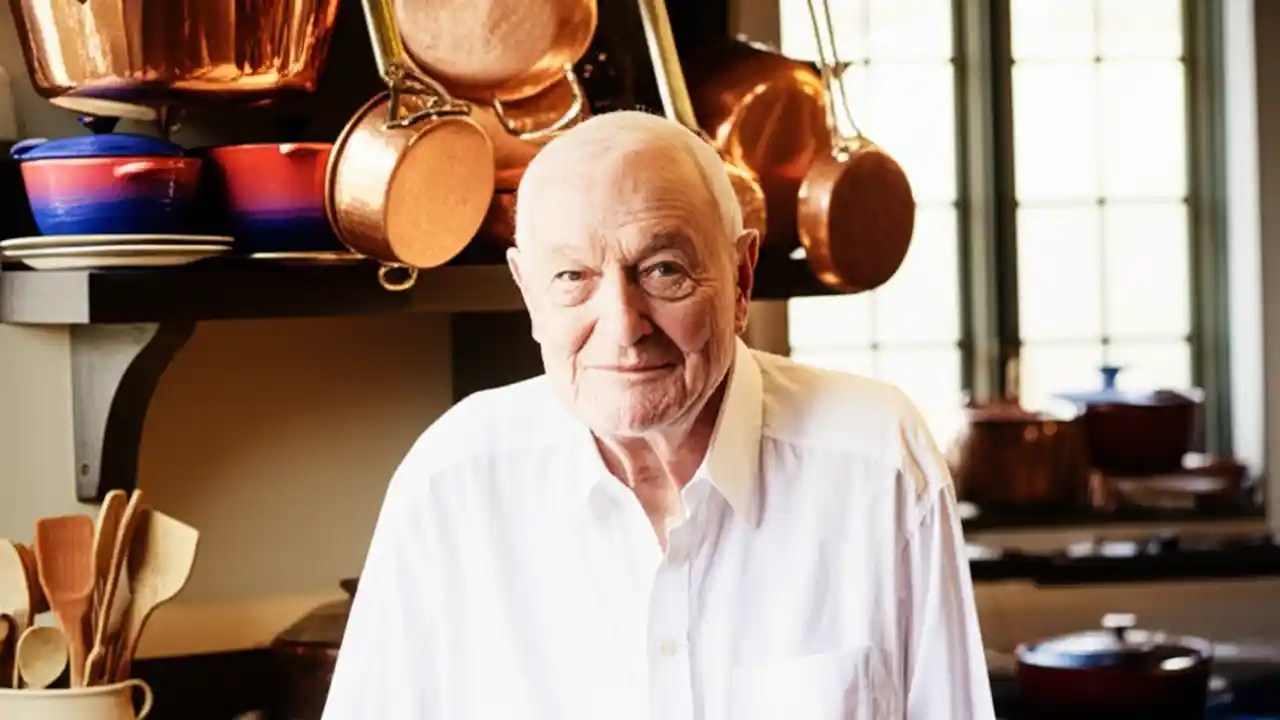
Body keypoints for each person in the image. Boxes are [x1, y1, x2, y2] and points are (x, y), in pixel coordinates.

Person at [322, 110, 995, 720]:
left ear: (741, 276)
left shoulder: (877, 461)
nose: (623, 326)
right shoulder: (453, 480)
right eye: (572, 278)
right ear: (528, 292)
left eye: (663, 269)